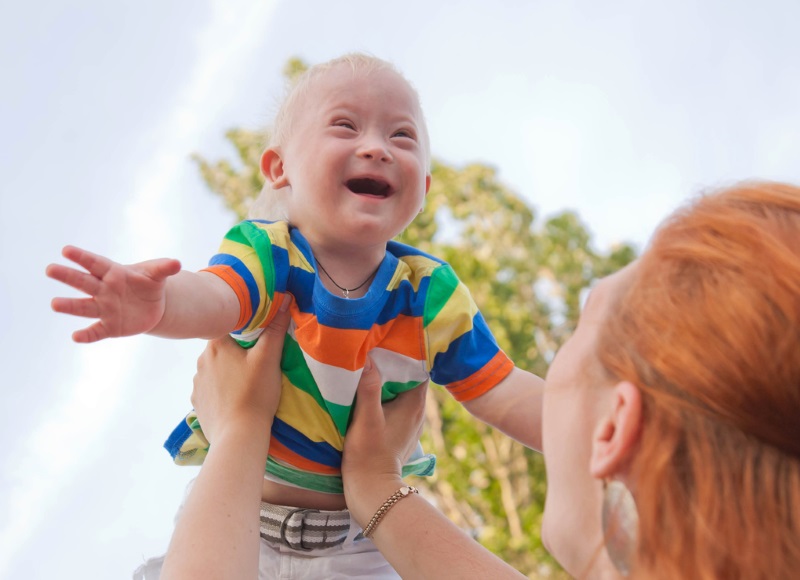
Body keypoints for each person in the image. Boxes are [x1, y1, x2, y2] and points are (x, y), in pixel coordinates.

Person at [47, 53, 543, 577]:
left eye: (402, 137)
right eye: (345, 126)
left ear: (421, 190)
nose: (376, 147)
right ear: (280, 168)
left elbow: (503, 390)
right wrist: (163, 304)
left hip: (365, 542)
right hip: (244, 522)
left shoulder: (428, 295)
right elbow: (217, 299)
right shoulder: (270, 255)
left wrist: (590, 428)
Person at [168, 181, 800, 578]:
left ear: (613, 429)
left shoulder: (425, 291)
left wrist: (240, 433)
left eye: (583, 320)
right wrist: (375, 486)